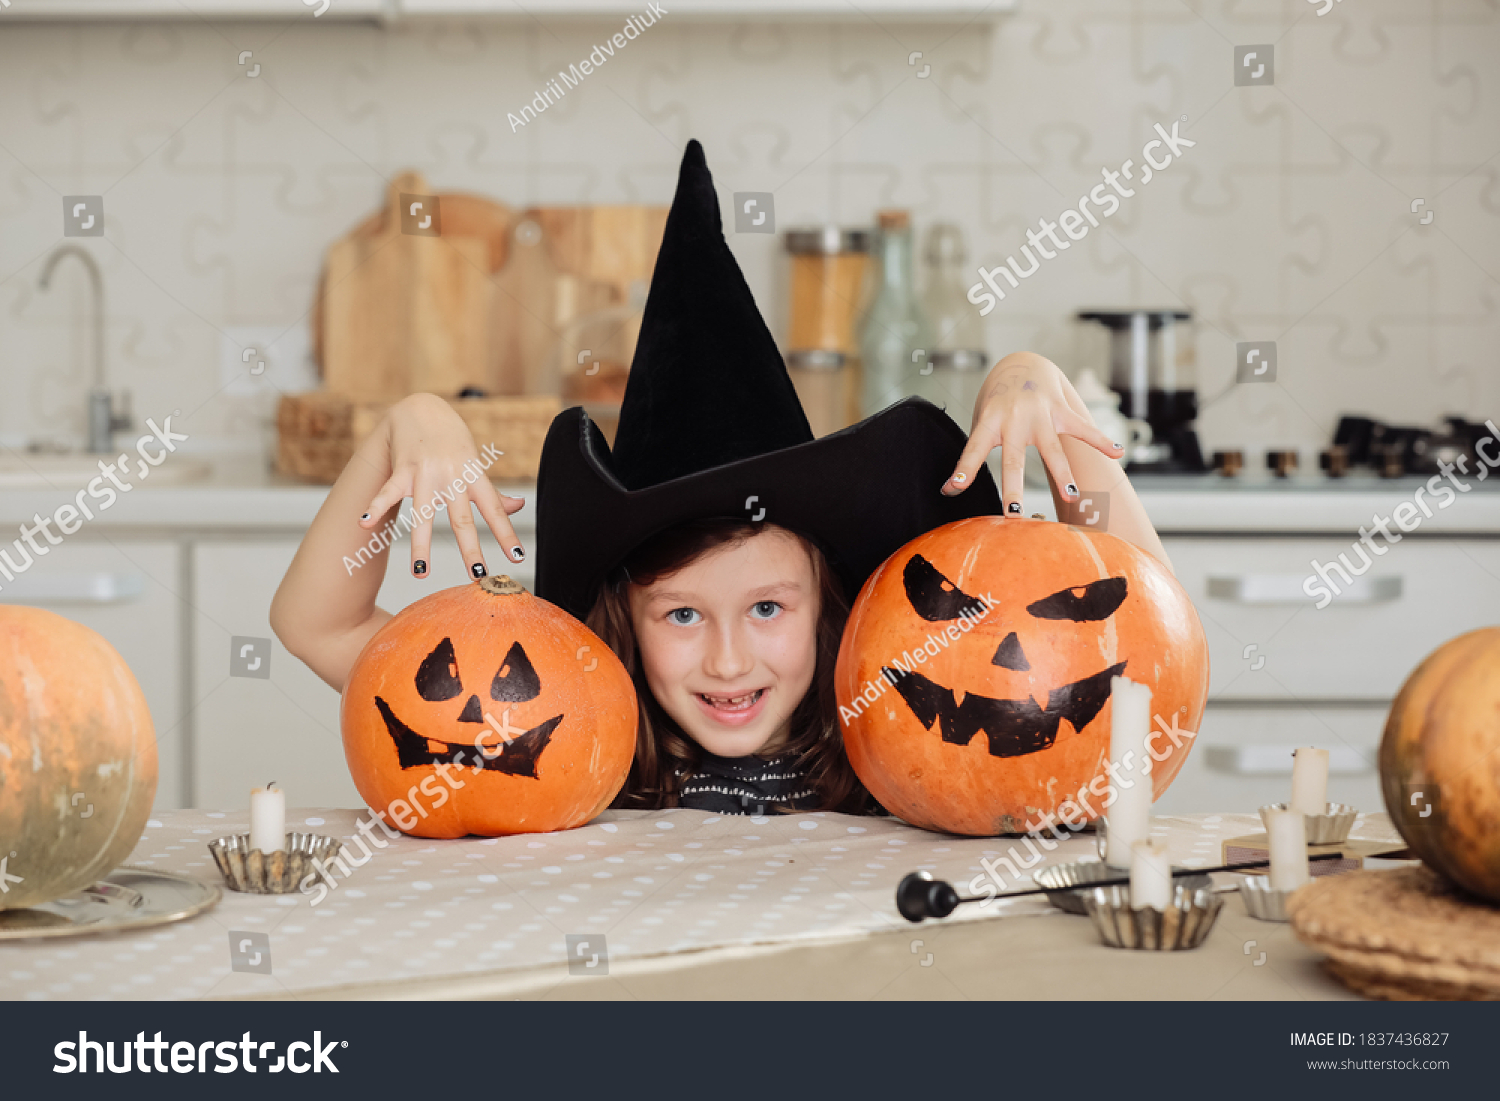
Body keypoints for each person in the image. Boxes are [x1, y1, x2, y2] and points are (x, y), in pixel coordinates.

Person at [272, 141, 1169, 819]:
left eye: (769, 609)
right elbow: (321, 623)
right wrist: (407, 426)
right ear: (622, 614)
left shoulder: (895, 739)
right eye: (683, 614)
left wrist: (1041, 391)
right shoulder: (571, 731)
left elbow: (1147, 638)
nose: (730, 660)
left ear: (832, 605)